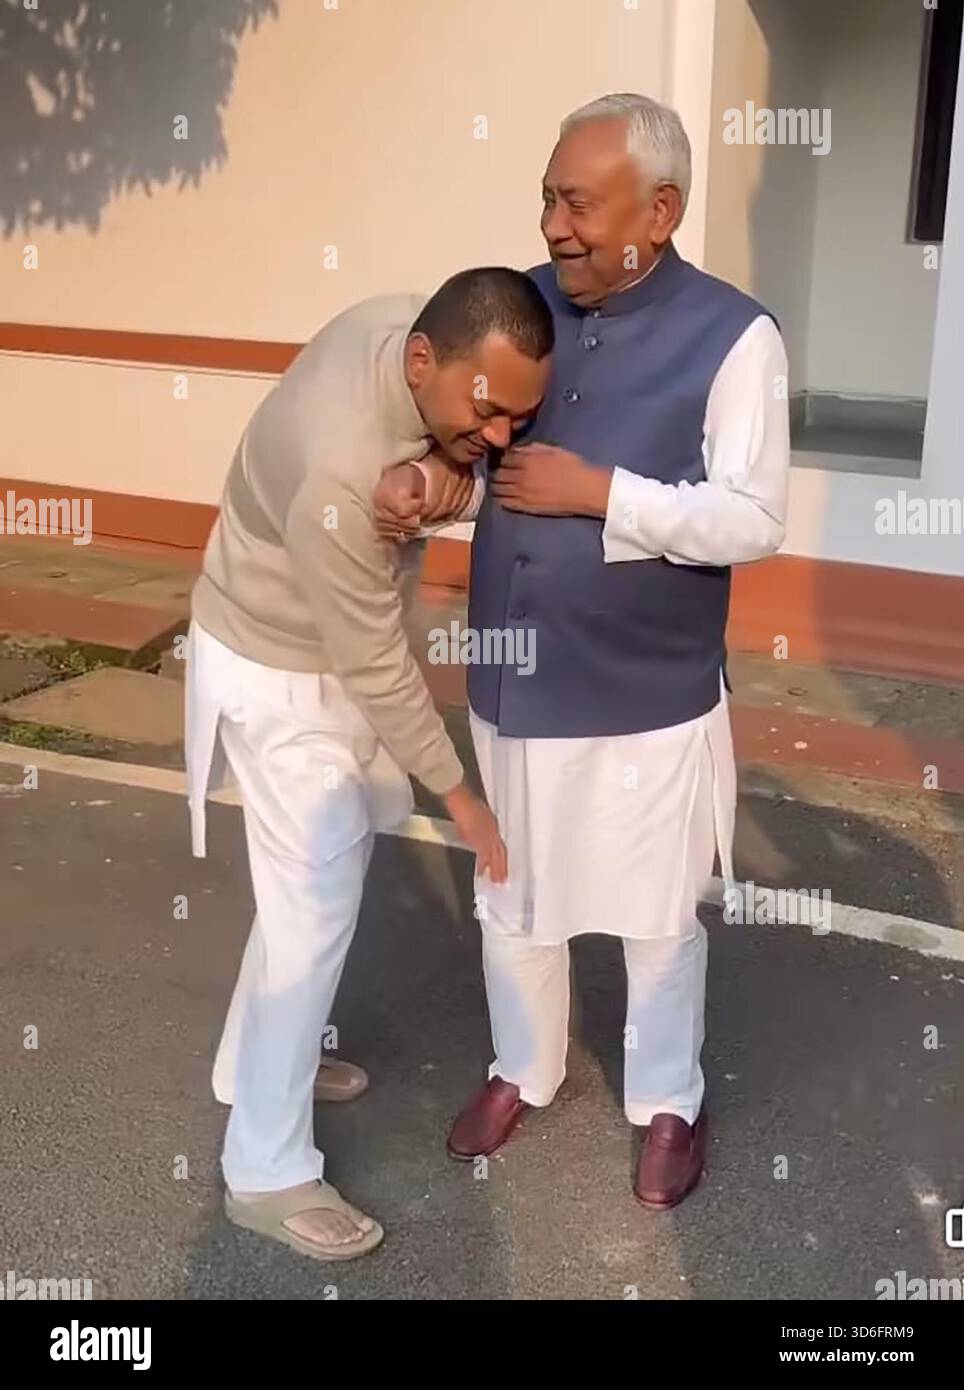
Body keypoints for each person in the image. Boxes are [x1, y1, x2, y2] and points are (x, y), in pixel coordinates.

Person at [381, 94, 789, 1209]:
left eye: (577, 201)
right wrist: (434, 487)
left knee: (656, 914)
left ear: (656, 212)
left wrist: (602, 495)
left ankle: (667, 1098)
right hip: (515, 678)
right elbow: (474, 447)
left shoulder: (735, 336)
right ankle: (527, 1064)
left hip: (648, 695)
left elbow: (753, 518)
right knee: (513, 898)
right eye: (548, 197)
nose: (554, 224)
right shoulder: (526, 311)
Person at [185, 267, 553, 1260]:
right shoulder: (340, 475)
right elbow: (382, 670)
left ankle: (257, 1059)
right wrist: (462, 798)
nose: (504, 434)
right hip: (276, 668)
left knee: (309, 888)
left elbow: (459, 459)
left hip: (313, 652)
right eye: (491, 413)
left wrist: (446, 477)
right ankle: (262, 1172)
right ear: (427, 365)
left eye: (520, 416)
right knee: (310, 912)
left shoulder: (405, 333)